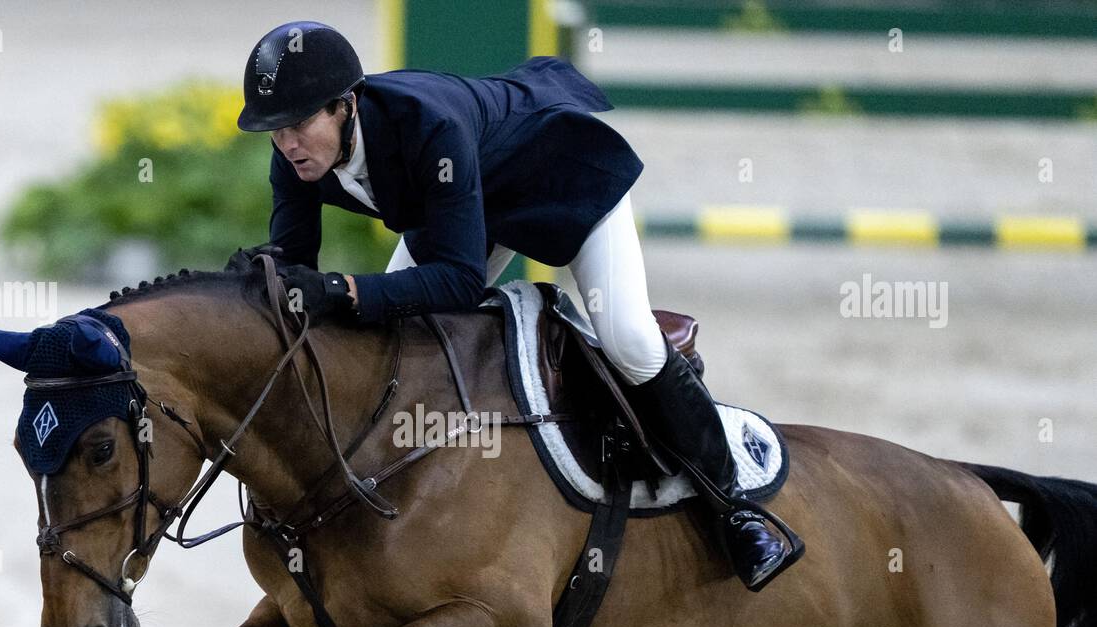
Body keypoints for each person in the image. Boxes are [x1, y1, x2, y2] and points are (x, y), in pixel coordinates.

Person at [237, 20, 801, 591]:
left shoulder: (428, 125)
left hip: (560, 181)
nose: (288, 144)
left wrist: (344, 291)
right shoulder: (294, 156)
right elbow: (291, 261)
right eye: (274, 131)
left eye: (300, 125)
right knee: (393, 343)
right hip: (462, 206)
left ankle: (736, 507)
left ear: (345, 106)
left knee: (628, 338)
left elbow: (458, 281)